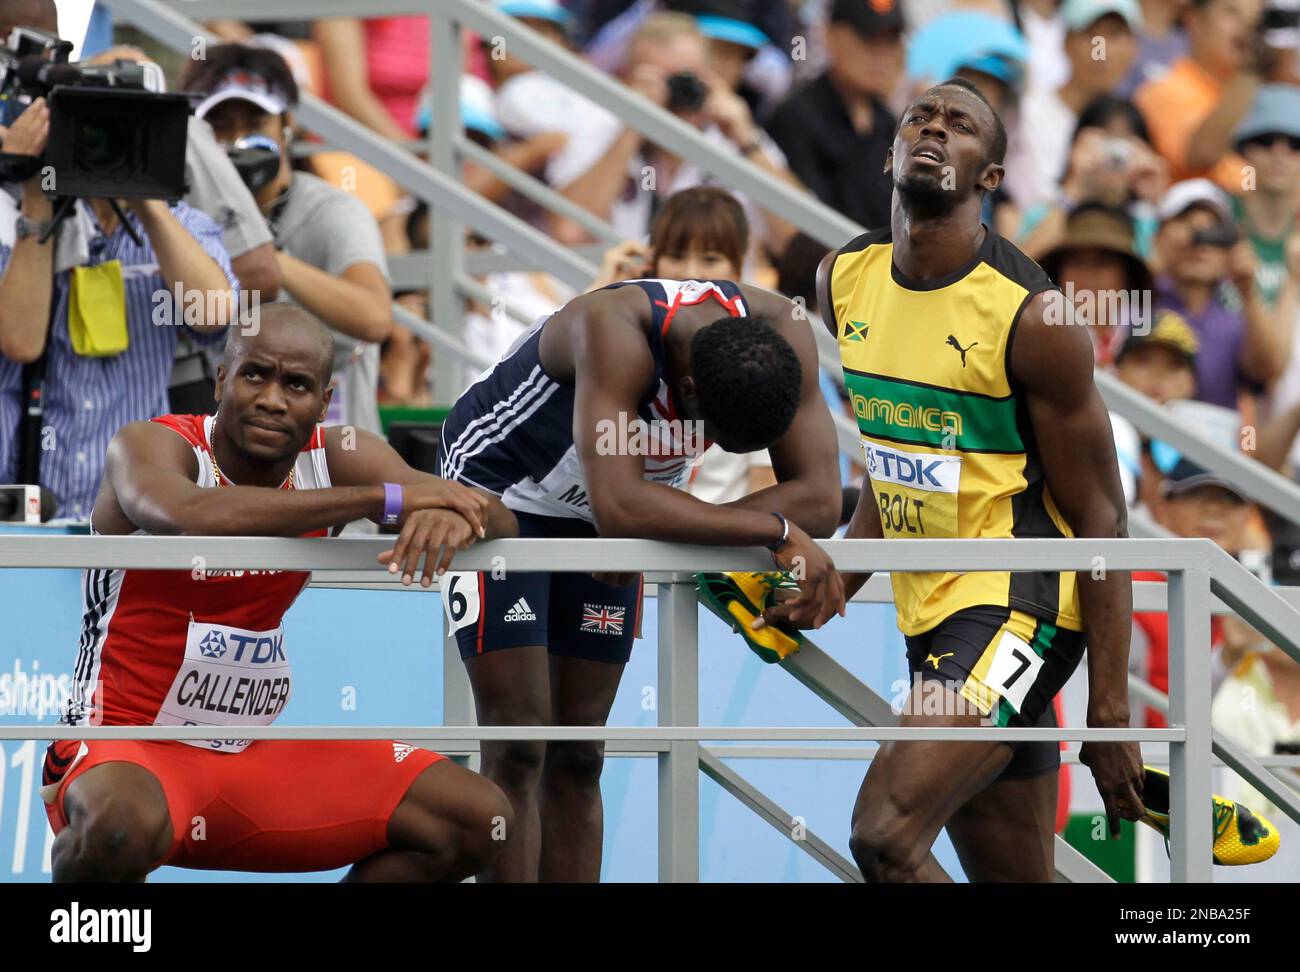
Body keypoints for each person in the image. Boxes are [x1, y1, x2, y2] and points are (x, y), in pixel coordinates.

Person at [766, 78, 1145, 881]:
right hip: (928, 612)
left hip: (1021, 602)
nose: (934, 130)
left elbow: (1105, 519)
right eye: (919, 118)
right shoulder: (844, 281)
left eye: (960, 126)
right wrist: (846, 568)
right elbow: (896, 461)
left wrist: (1111, 712)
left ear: (991, 178)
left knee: (885, 836)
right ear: (892, 152)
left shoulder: (1034, 319)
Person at [40, 304, 518, 882]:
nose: (272, 398)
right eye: (254, 374)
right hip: (124, 743)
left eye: (295, 384)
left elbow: (495, 516)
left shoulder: (335, 453)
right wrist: (380, 500)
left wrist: (457, 516)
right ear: (222, 379)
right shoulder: (153, 445)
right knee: (117, 830)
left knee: (477, 818)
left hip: (246, 755)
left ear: (324, 401)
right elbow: (188, 513)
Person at [436, 275, 845, 882]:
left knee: (578, 755)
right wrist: (774, 532)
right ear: (685, 388)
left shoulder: (784, 330)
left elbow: (820, 497)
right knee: (520, 742)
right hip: (504, 493)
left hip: (625, 510)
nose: (722, 455)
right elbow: (623, 510)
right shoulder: (615, 326)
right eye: (719, 439)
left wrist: (658, 533)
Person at [0, 101, 237, 519]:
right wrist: (37, 195)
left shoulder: (184, 224)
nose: (102, 144)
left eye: (121, 130)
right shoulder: (15, 219)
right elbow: (19, 340)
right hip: (28, 500)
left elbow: (215, 314)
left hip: (128, 505)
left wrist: (147, 197)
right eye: (89, 130)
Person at [179, 45, 394, 450]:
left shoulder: (332, 210)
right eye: (220, 125)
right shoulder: (183, 219)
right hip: (224, 461)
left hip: (333, 458)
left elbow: (374, 317)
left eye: (255, 121)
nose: (238, 140)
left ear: (286, 124)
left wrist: (261, 256)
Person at [764, 0, 904, 232]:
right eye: (867, 39)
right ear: (830, 36)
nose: (881, 55)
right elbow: (805, 223)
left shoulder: (889, 124)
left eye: (890, 41)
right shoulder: (796, 116)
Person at [1151, 179, 1289, 411]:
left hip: (1208, 441)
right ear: (1159, 236)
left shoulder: (1234, 317)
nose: (1200, 243)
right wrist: (1158, 258)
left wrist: (1248, 291)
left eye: (1214, 231)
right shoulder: (1137, 294)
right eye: (1185, 223)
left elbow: (1267, 368)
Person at [1012, 0, 1141, 210]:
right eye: (1091, 34)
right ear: (1066, 42)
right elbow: (1026, 212)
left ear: (1134, 48)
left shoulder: (1136, 119)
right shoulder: (1027, 114)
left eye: (1116, 35)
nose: (1102, 50)